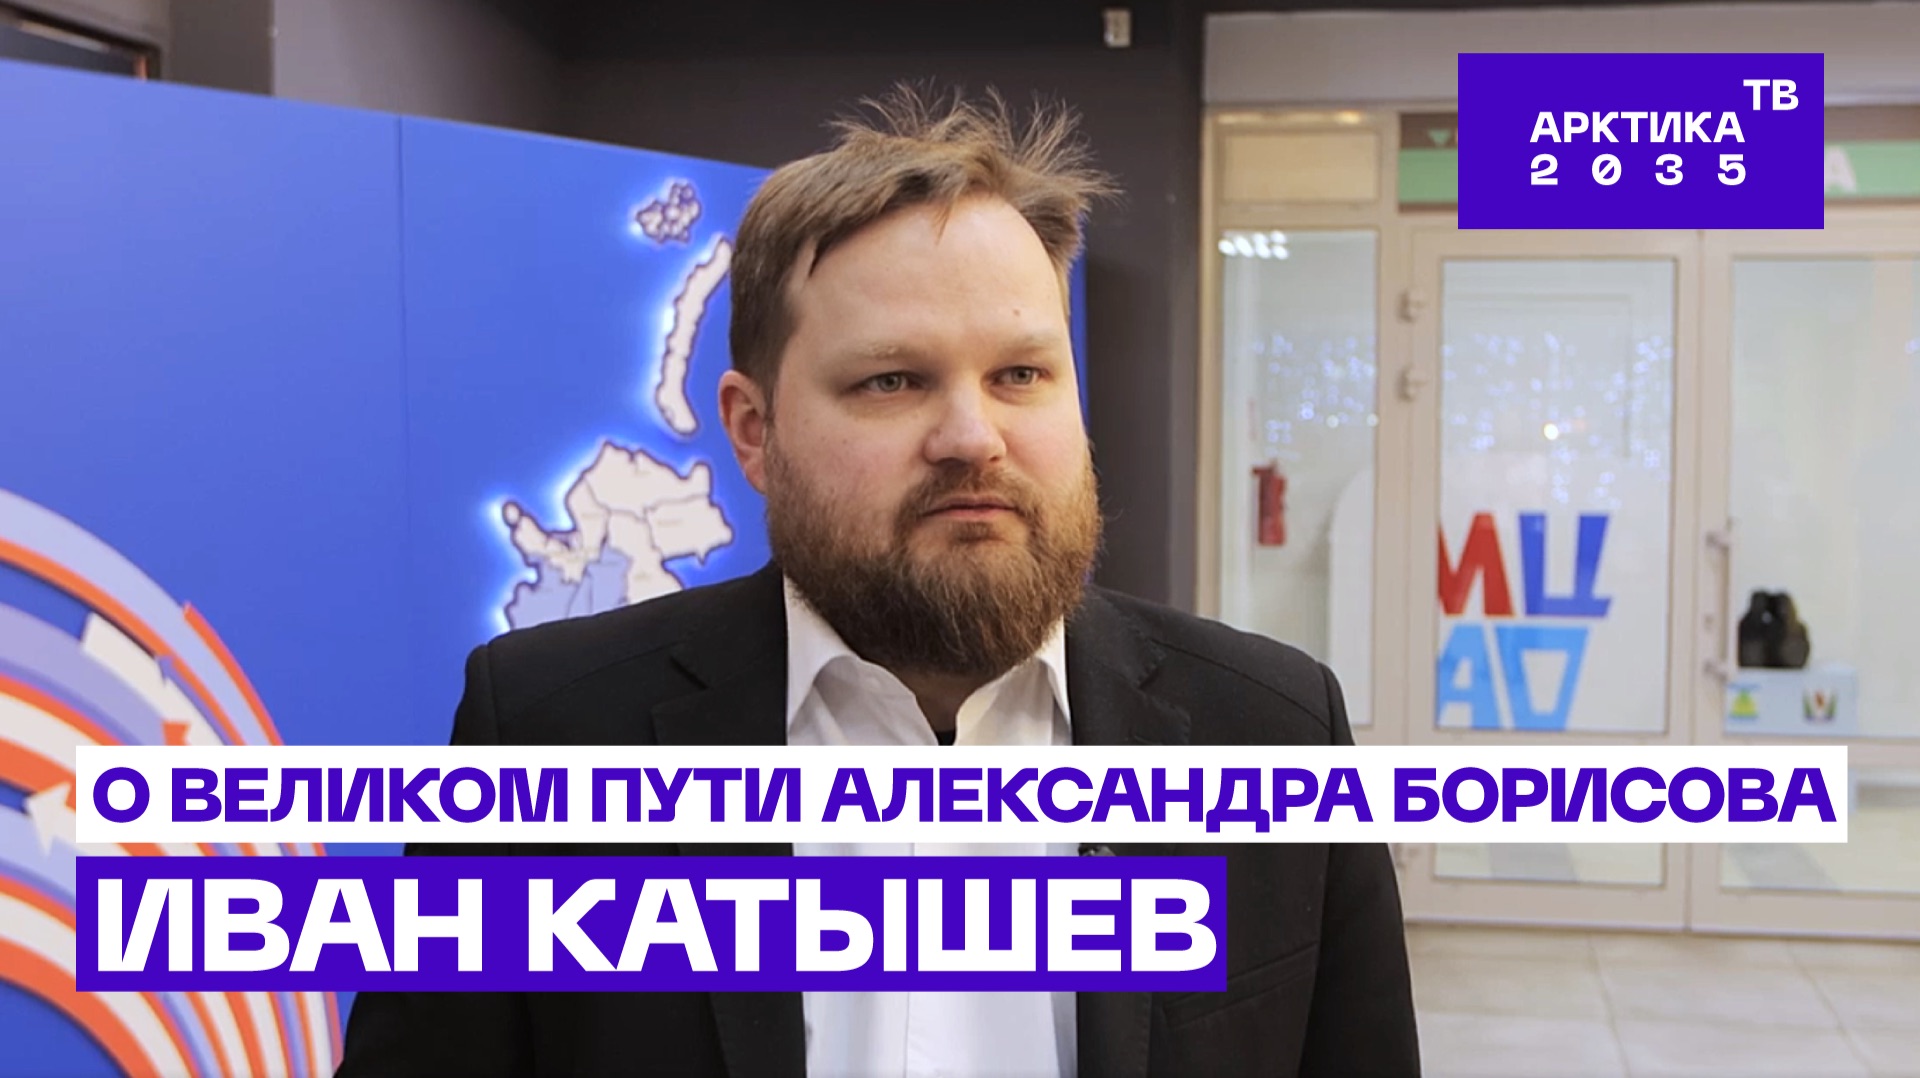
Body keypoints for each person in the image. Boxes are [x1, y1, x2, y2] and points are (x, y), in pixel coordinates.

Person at [340, 86, 1418, 1078]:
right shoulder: (551, 734)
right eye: (892, 380)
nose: (973, 436)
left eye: (1022, 374)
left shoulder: (1274, 733)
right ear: (753, 432)